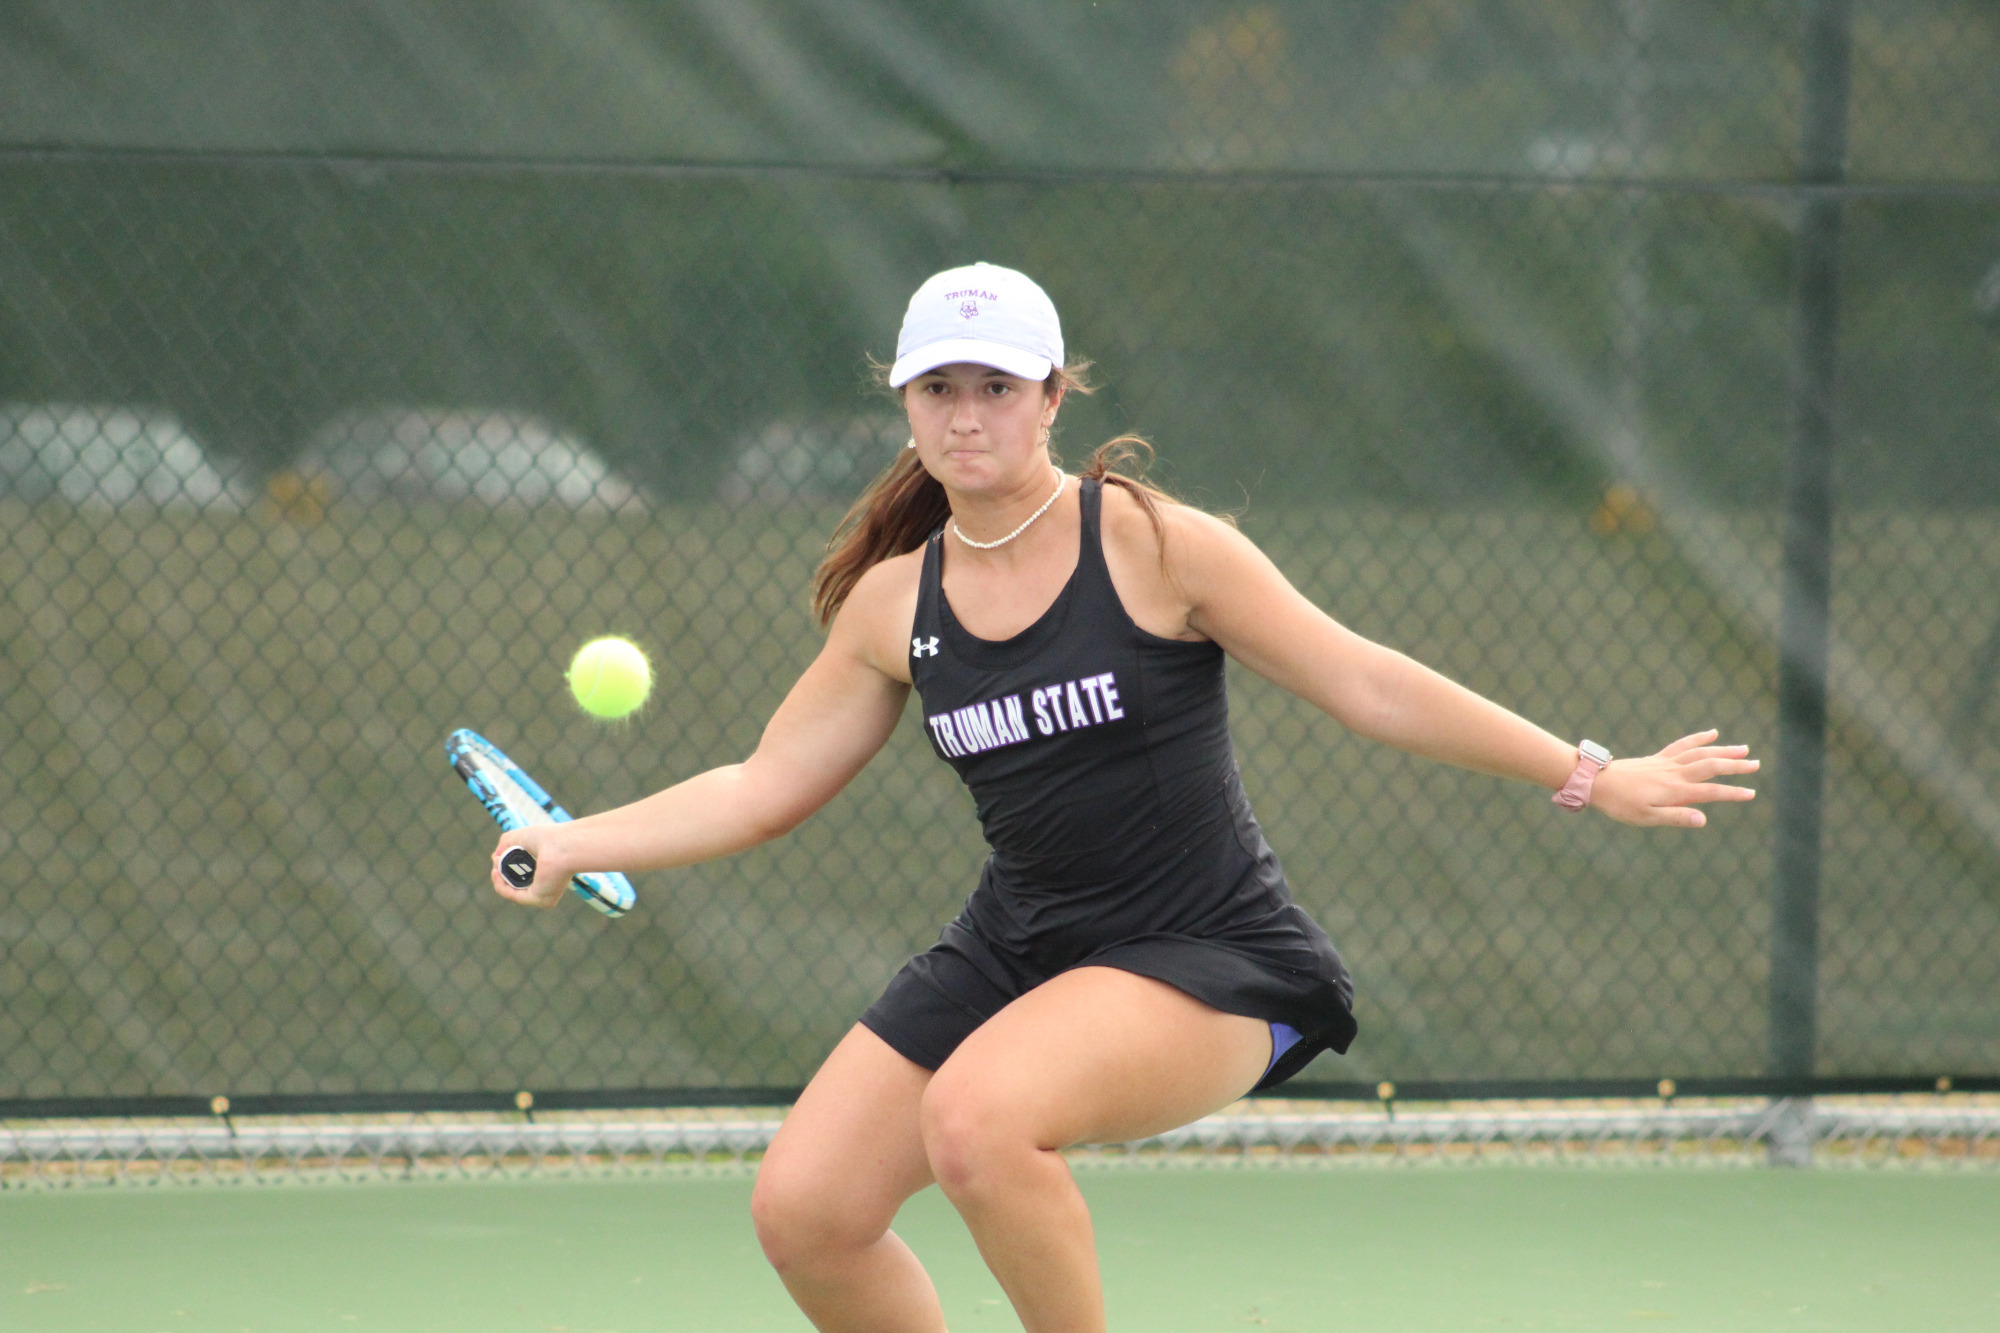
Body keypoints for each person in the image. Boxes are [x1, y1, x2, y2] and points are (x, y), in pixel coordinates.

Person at [489, 262, 1758, 1333]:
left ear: (1051, 396)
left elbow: (1364, 680)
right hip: (1018, 942)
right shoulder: (893, 605)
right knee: (807, 1213)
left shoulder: (1152, 543)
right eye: (939, 387)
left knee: (977, 1121)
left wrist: (1590, 772)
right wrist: (572, 840)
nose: (966, 413)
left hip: (1211, 953)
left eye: (995, 386)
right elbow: (763, 784)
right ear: (904, 406)